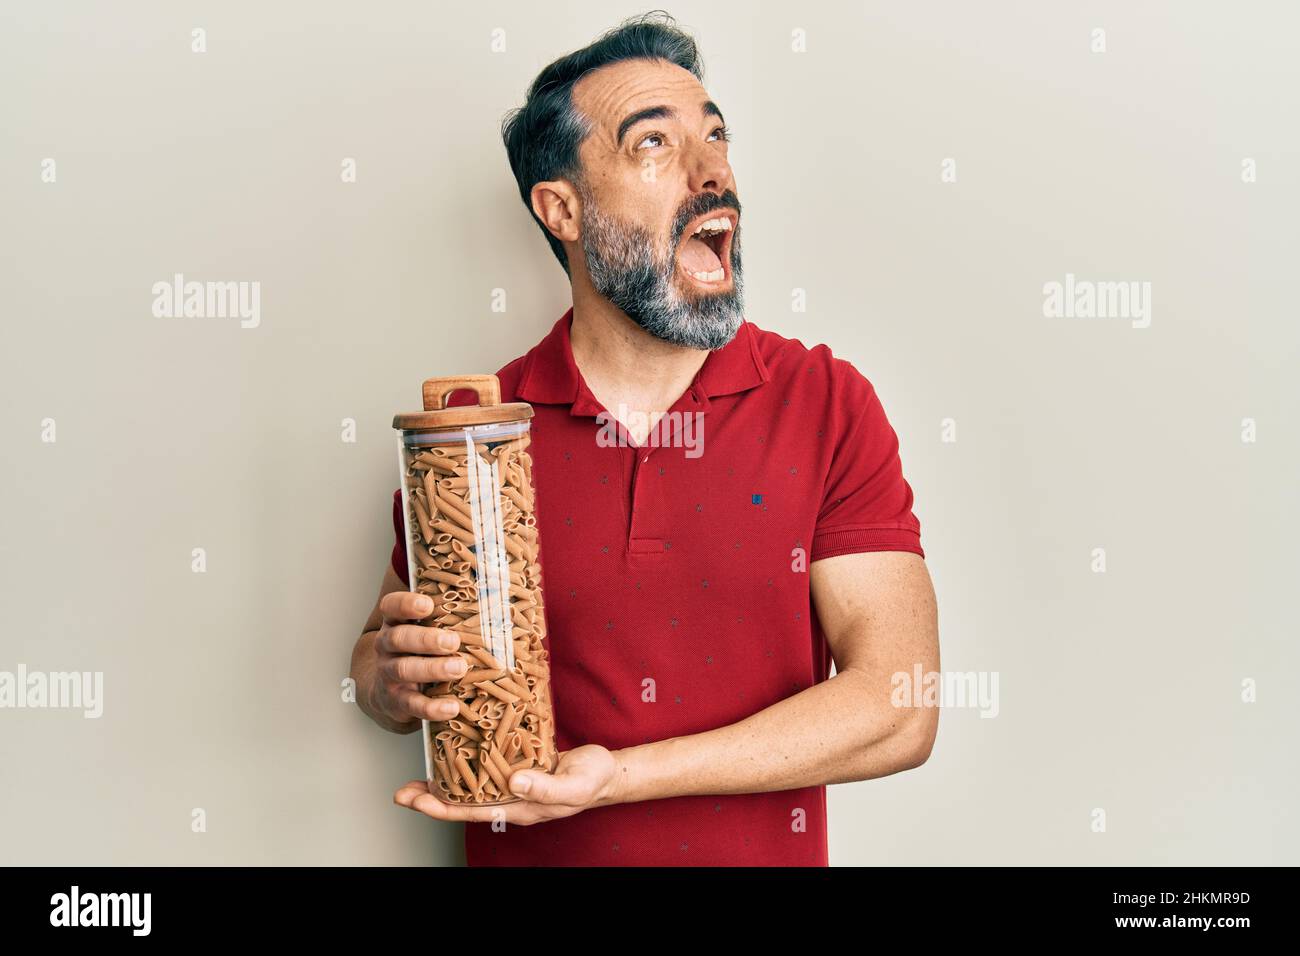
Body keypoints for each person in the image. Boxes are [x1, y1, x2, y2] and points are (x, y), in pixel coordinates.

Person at [350, 11, 939, 866]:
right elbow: (378, 661)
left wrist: (621, 778)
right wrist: (388, 679)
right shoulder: (478, 433)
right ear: (563, 210)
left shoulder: (826, 402)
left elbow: (899, 705)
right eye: (655, 145)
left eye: (716, 137)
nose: (715, 174)